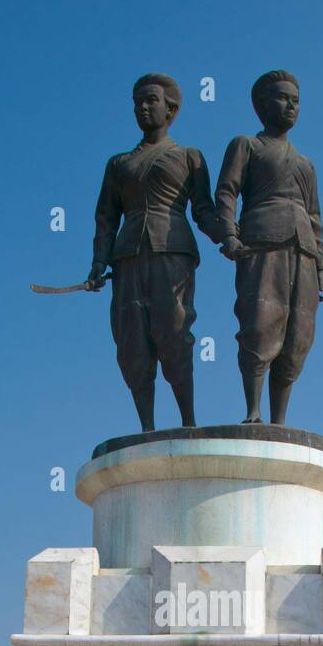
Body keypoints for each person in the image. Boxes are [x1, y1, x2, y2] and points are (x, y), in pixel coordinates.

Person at [88, 73, 221, 431]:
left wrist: (229, 236)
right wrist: (99, 261)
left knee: (174, 331)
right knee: (132, 339)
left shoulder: (189, 157)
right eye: (138, 103)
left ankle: (188, 422)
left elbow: (204, 210)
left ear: (171, 109)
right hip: (128, 255)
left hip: (172, 249)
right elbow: (105, 218)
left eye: (151, 101)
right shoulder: (118, 164)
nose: (143, 108)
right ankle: (147, 428)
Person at [215, 70, 323, 425]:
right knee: (260, 322)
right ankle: (253, 412)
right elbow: (226, 192)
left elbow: (315, 216)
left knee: (298, 333)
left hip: (304, 252)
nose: (291, 105)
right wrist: (228, 235)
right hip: (262, 242)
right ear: (262, 105)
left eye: (296, 100)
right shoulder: (246, 146)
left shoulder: (306, 164)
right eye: (283, 98)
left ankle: (280, 420)